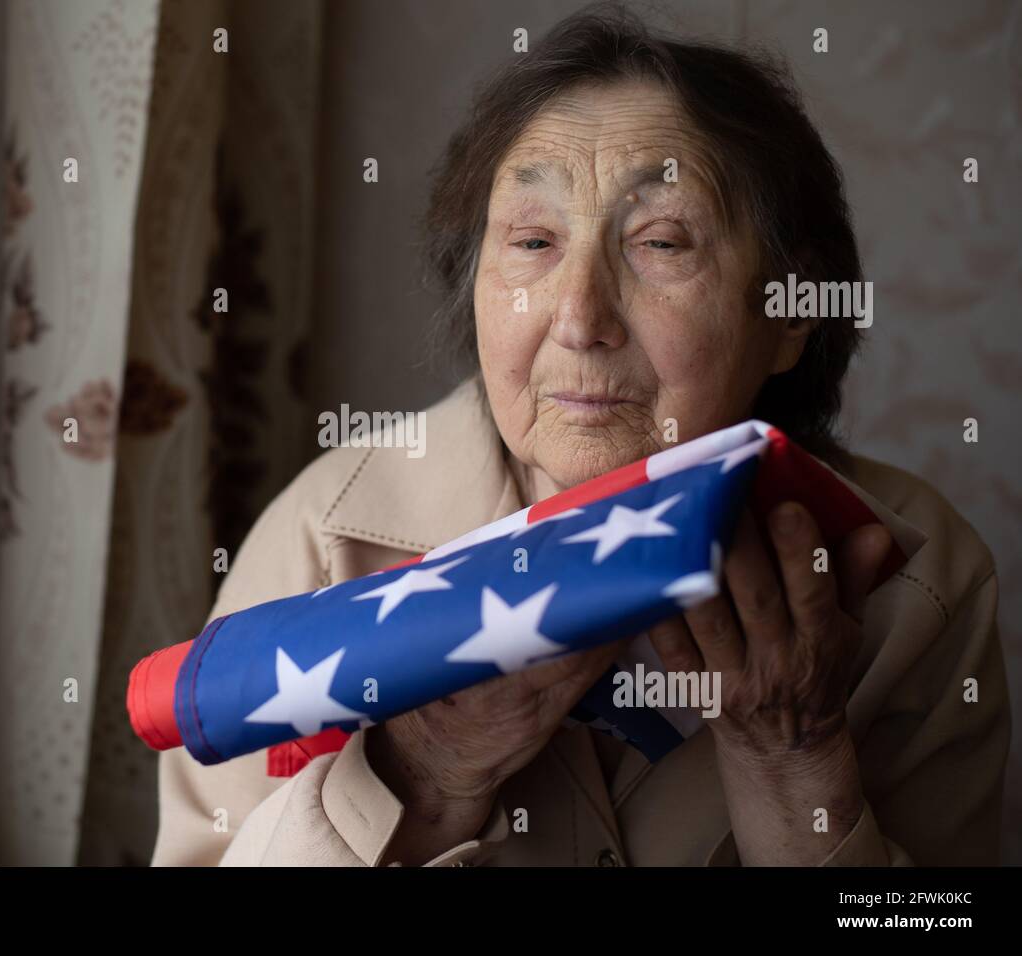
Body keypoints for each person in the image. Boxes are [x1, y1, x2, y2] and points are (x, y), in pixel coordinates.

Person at [150, 8, 1009, 866]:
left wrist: (795, 764)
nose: (579, 317)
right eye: (533, 240)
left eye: (661, 241)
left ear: (788, 312)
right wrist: (424, 775)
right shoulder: (327, 537)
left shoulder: (916, 581)